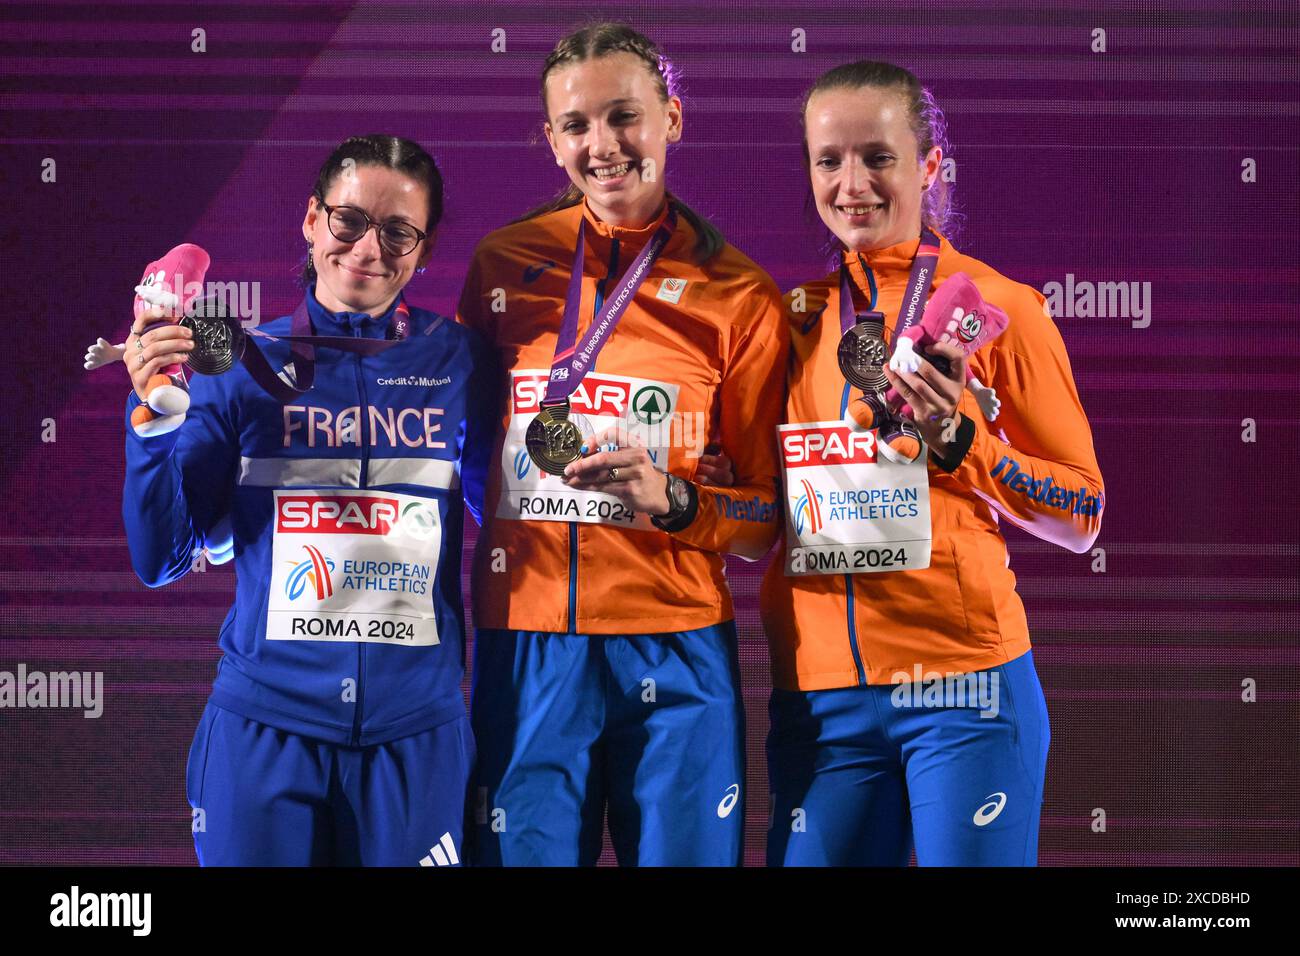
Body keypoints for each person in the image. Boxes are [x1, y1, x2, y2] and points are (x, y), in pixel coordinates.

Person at [456, 23, 787, 866]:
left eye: (624, 117)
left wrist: (677, 500)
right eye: (576, 125)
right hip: (528, 642)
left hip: (677, 649)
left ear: (672, 118)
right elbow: (465, 458)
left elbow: (762, 521)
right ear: (551, 139)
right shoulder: (503, 265)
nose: (602, 146)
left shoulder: (739, 294)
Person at [759, 61, 1105, 866]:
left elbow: (1082, 514)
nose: (852, 184)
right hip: (822, 699)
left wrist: (961, 445)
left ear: (929, 165)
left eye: (878, 157)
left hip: (964, 693)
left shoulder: (997, 307)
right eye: (828, 159)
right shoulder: (791, 322)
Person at [123, 134, 495, 866]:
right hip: (267, 727)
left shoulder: (461, 360)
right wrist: (151, 421)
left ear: (423, 247)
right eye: (348, 221)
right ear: (310, 219)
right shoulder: (242, 364)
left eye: (398, 232)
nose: (366, 249)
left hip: (413, 735)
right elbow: (159, 559)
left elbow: (518, 511)